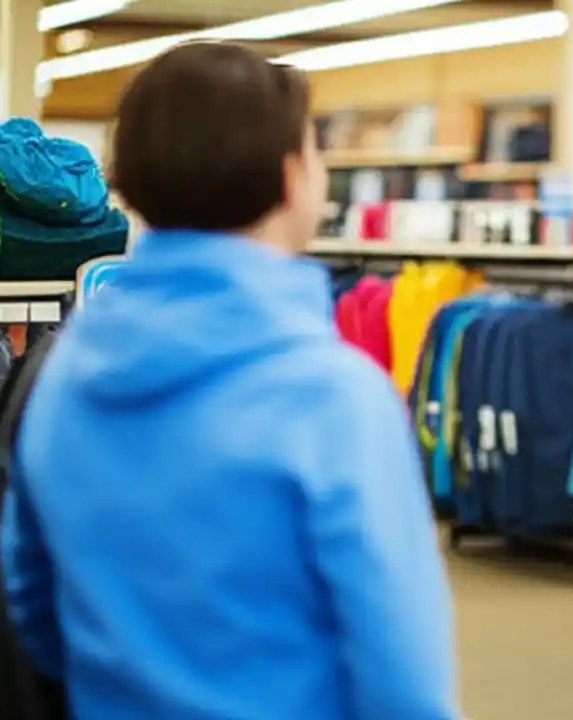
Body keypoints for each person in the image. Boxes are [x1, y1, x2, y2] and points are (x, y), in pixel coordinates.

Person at [1, 43, 458, 720]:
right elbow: (404, 682)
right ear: (291, 175)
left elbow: (32, 609)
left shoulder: (59, 376)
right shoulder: (335, 397)